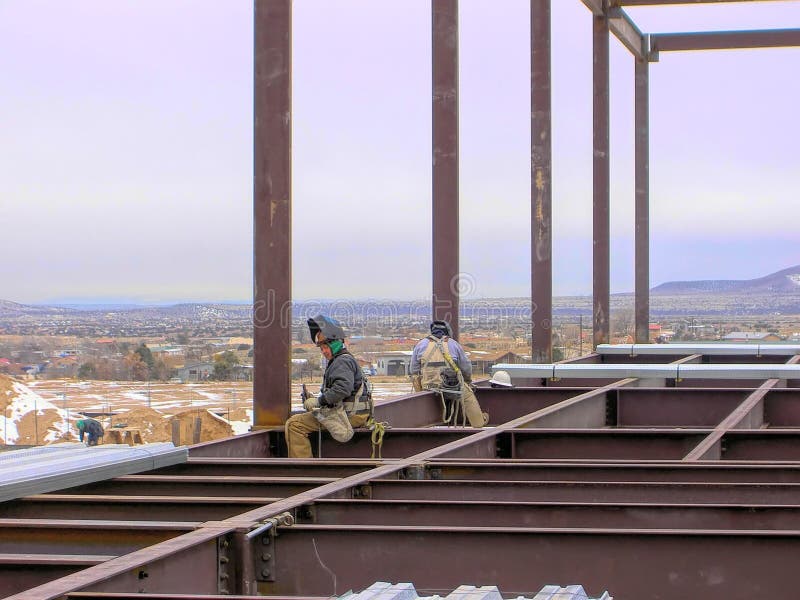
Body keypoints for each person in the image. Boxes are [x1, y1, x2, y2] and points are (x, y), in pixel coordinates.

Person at [284, 314, 372, 458]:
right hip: (354, 414)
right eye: (321, 347)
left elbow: (342, 389)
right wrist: (318, 400)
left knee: (295, 424)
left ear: (336, 342)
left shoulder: (341, 362)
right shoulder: (342, 359)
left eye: (326, 346)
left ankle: (302, 471)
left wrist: (319, 401)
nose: (323, 351)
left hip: (349, 416)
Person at [410, 320, 489, 427]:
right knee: (468, 397)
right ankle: (479, 423)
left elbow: (414, 371)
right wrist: (467, 381)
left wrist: (419, 392)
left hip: (428, 386)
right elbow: (466, 368)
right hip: (451, 386)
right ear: (447, 332)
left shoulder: (420, 345)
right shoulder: (453, 344)